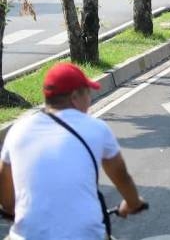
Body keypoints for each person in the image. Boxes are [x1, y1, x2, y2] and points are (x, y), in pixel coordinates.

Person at [0, 63, 147, 239]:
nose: (90, 101)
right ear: (75, 97)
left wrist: (12, 210)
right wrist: (132, 203)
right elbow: (121, 176)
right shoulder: (96, 128)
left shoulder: (18, 130)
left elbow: (5, 188)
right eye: (88, 94)